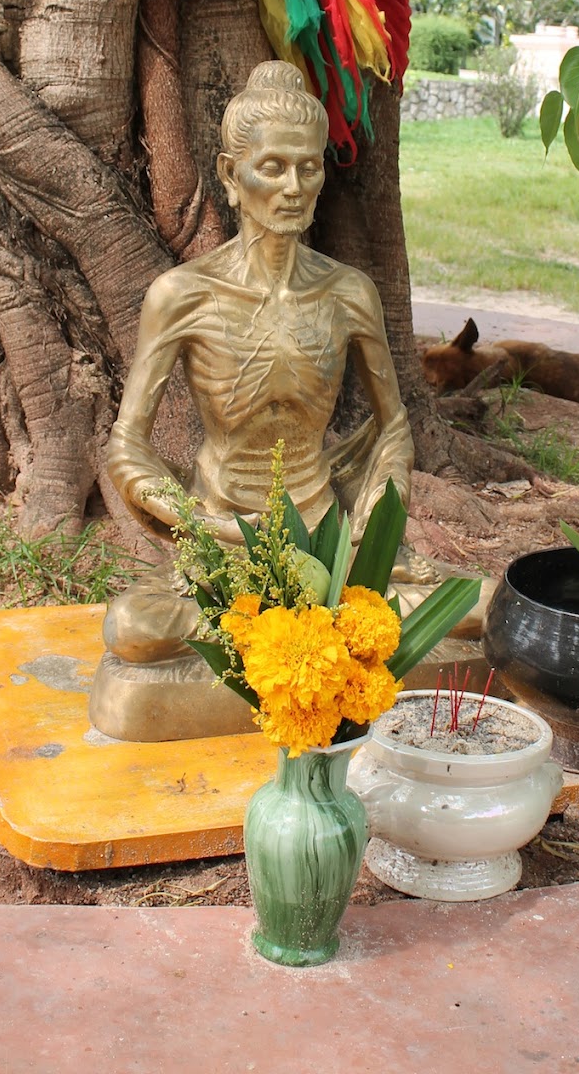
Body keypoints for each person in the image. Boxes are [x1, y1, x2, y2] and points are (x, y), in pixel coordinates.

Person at [91, 62, 417, 738]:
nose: (293, 187)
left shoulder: (349, 293)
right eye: (272, 167)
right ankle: (304, 668)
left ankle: (278, 666)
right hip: (222, 538)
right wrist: (196, 523)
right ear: (231, 176)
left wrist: (375, 521)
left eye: (309, 167)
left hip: (326, 546)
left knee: (467, 608)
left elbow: (392, 431)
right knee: (134, 629)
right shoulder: (183, 296)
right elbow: (127, 445)